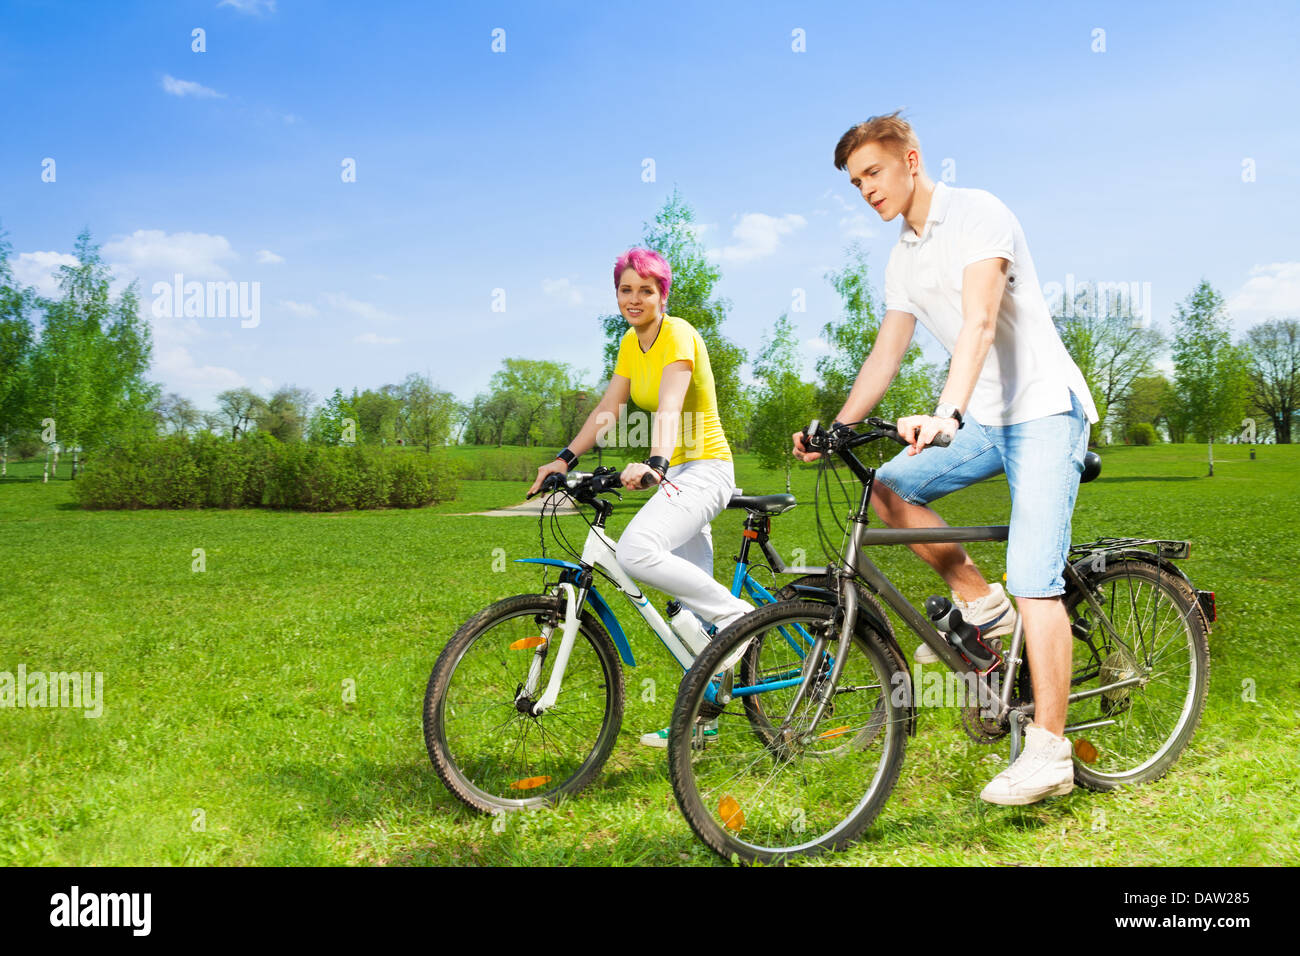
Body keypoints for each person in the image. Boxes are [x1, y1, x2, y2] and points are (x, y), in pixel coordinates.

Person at [792, 111, 1099, 806]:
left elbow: (981, 322)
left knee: (1035, 577)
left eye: (873, 172)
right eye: (855, 182)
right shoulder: (902, 255)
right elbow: (887, 349)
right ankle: (981, 607)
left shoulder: (978, 213)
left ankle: (1050, 753)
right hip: (986, 418)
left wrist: (947, 412)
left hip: (1044, 408)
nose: (866, 189)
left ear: (912, 159)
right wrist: (836, 427)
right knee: (888, 486)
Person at [529, 247, 752, 748]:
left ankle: (740, 620)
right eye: (625, 290)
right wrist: (563, 458)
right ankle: (706, 720)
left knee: (635, 551)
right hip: (678, 471)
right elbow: (610, 408)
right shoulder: (632, 343)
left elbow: (671, 406)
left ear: (662, 295)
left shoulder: (679, 335)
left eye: (645, 291)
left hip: (705, 468)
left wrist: (655, 462)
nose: (634, 299)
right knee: (685, 610)